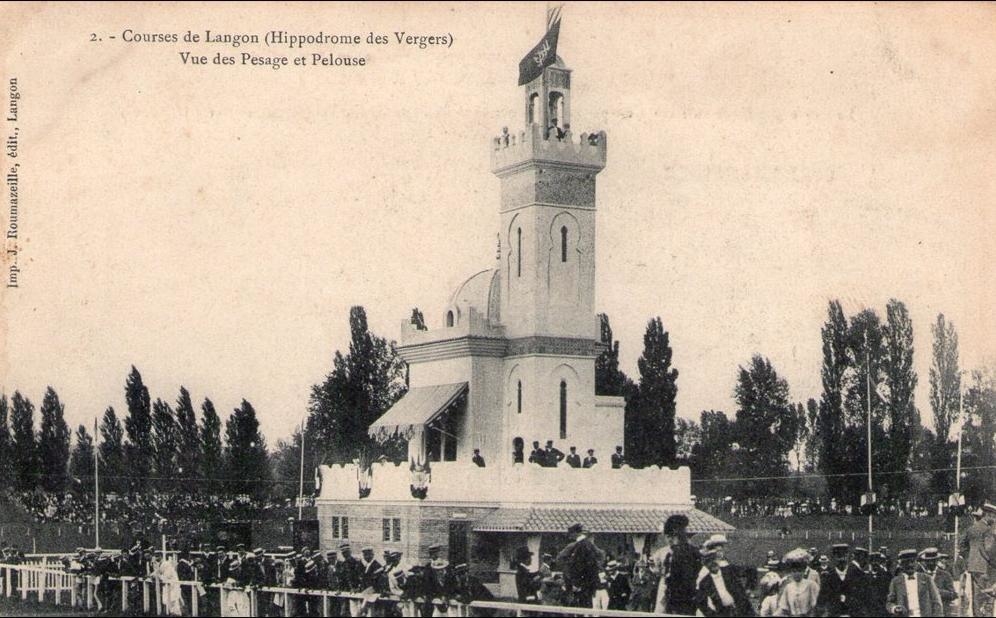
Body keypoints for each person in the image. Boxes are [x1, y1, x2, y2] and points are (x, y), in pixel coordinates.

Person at [651, 514, 701, 615]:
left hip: (679, 599)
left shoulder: (677, 553)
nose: (668, 540)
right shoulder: (693, 551)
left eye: (669, 536)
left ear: (675, 534)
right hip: (687, 598)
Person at [556, 522, 606, 608]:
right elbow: (601, 555)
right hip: (589, 581)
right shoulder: (588, 544)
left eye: (571, 534)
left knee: (580, 605)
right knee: (586, 604)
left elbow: (578, 564)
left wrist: (575, 581)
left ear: (575, 533)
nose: (569, 536)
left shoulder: (579, 545)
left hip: (581, 582)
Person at [695, 548, 753, 617]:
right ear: (705, 565)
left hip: (743, 610)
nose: (713, 563)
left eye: (714, 559)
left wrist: (749, 588)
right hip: (725, 613)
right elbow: (701, 604)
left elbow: (751, 570)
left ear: (718, 560)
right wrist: (713, 615)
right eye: (708, 561)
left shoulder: (729, 570)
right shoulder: (704, 583)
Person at [886, 548, 944, 617]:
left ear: (916, 563)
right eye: (906, 562)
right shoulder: (895, 581)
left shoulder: (927, 579)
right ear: (901, 565)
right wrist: (894, 608)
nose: (910, 565)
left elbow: (937, 603)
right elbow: (889, 602)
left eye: (912, 562)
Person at [963, 503, 995, 617]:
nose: (994, 519)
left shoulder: (971, 528)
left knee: (977, 596)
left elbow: (963, 547)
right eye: (993, 516)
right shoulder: (989, 530)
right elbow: (989, 550)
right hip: (986, 567)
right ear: (987, 515)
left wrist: (970, 560)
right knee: (988, 596)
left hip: (973, 566)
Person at [777, 549, 821, 617]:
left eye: (799, 571)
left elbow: (816, 607)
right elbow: (783, 608)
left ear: (804, 571)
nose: (797, 574)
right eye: (794, 571)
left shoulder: (811, 585)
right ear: (791, 572)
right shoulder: (788, 587)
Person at [920, 548, 957, 616]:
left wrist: (936, 591)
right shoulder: (921, 576)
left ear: (937, 561)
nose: (930, 563)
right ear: (925, 562)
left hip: (942, 612)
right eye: (928, 561)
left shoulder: (945, 575)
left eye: (933, 561)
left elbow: (953, 594)